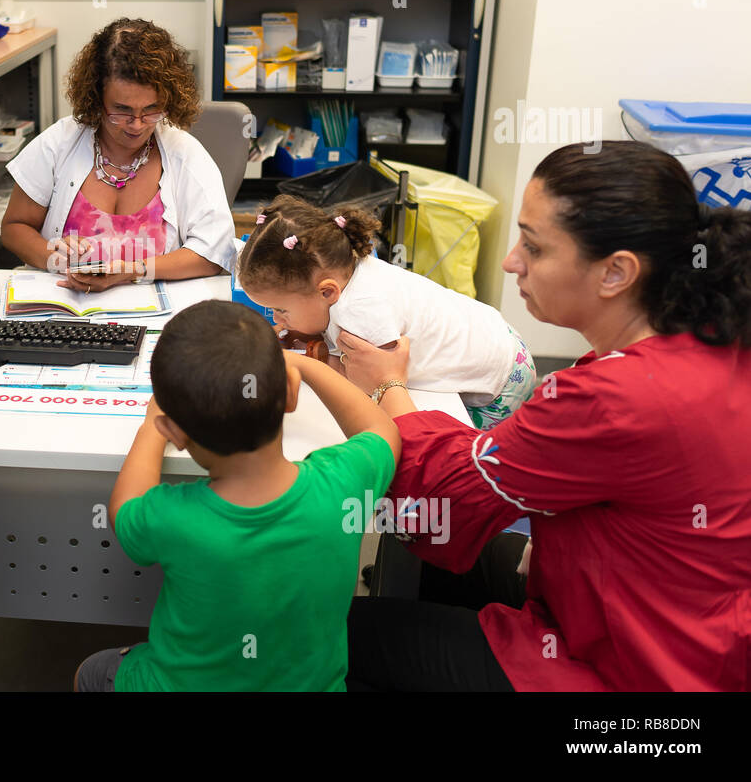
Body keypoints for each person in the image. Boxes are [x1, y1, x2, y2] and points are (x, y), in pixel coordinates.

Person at [341, 141, 751, 691]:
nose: (512, 261)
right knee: (433, 564)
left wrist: (384, 385)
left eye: (533, 247)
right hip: (698, 623)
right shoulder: (712, 334)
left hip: (644, 676)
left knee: (338, 634)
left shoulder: (617, 396)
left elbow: (439, 495)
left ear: (616, 273)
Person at [74, 300, 401, 691]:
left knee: (91, 671)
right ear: (290, 396)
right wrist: (305, 367)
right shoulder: (341, 485)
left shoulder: (170, 516)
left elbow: (123, 509)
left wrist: (152, 427)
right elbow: (384, 432)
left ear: (175, 433)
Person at [238, 194, 535, 429]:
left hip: (498, 383)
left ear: (327, 292)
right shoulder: (351, 269)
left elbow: (369, 378)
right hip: (499, 335)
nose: (276, 319)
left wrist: (312, 361)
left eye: (280, 309)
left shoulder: (358, 314)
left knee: (471, 465)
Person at [1, 18, 235, 293]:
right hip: (67, 310)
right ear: (96, 98)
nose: (137, 124)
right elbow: (14, 227)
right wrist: (54, 257)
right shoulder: (58, 144)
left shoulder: (186, 154)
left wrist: (134, 271)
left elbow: (213, 254)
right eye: (121, 110)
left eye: (151, 110)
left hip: (156, 318)